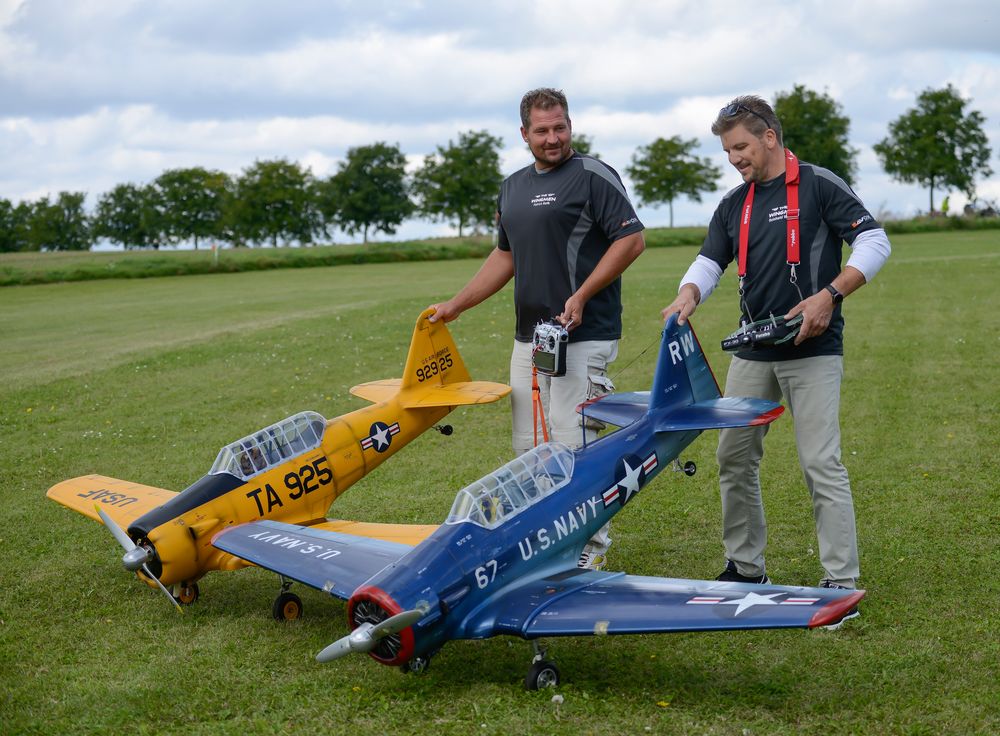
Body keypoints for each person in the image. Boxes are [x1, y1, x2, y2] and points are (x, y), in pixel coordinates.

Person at [661, 95, 891, 613]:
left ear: (769, 137)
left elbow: (874, 242)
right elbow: (709, 261)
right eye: (727, 150)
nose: (734, 158)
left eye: (740, 146)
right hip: (753, 350)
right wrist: (688, 294)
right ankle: (746, 568)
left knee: (820, 462)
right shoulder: (734, 203)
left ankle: (841, 583)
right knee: (733, 457)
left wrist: (830, 295)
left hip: (813, 349)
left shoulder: (818, 184)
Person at [429, 87, 646, 569]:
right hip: (531, 338)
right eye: (542, 130)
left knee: (573, 445)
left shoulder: (593, 175)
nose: (553, 138)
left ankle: (588, 552)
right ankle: (545, 543)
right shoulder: (512, 187)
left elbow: (631, 240)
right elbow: (505, 256)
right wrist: (456, 305)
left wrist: (582, 295)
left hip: (584, 334)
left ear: (570, 125)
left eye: (560, 127)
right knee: (529, 450)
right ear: (524, 133)